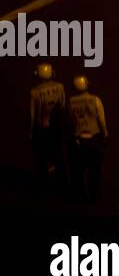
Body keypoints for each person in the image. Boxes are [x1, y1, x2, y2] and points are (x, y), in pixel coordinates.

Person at [67, 75, 108, 202]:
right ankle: (94, 194)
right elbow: (101, 120)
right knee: (94, 170)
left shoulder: (71, 101)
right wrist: (105, 134)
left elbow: (70, 120)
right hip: (93, 139)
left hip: (79, 140)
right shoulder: (95, 99)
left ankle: (80, 195)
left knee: (78, 170)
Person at [29, 63, 67, 192]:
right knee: (58, 155)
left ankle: (45, 185)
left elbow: (33, 116)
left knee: (41, 158)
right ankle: (62, 182)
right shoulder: (59, 87)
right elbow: (62, 106)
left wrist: (30, 131)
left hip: (42, 128)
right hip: (56, 127)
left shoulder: (35, 92)